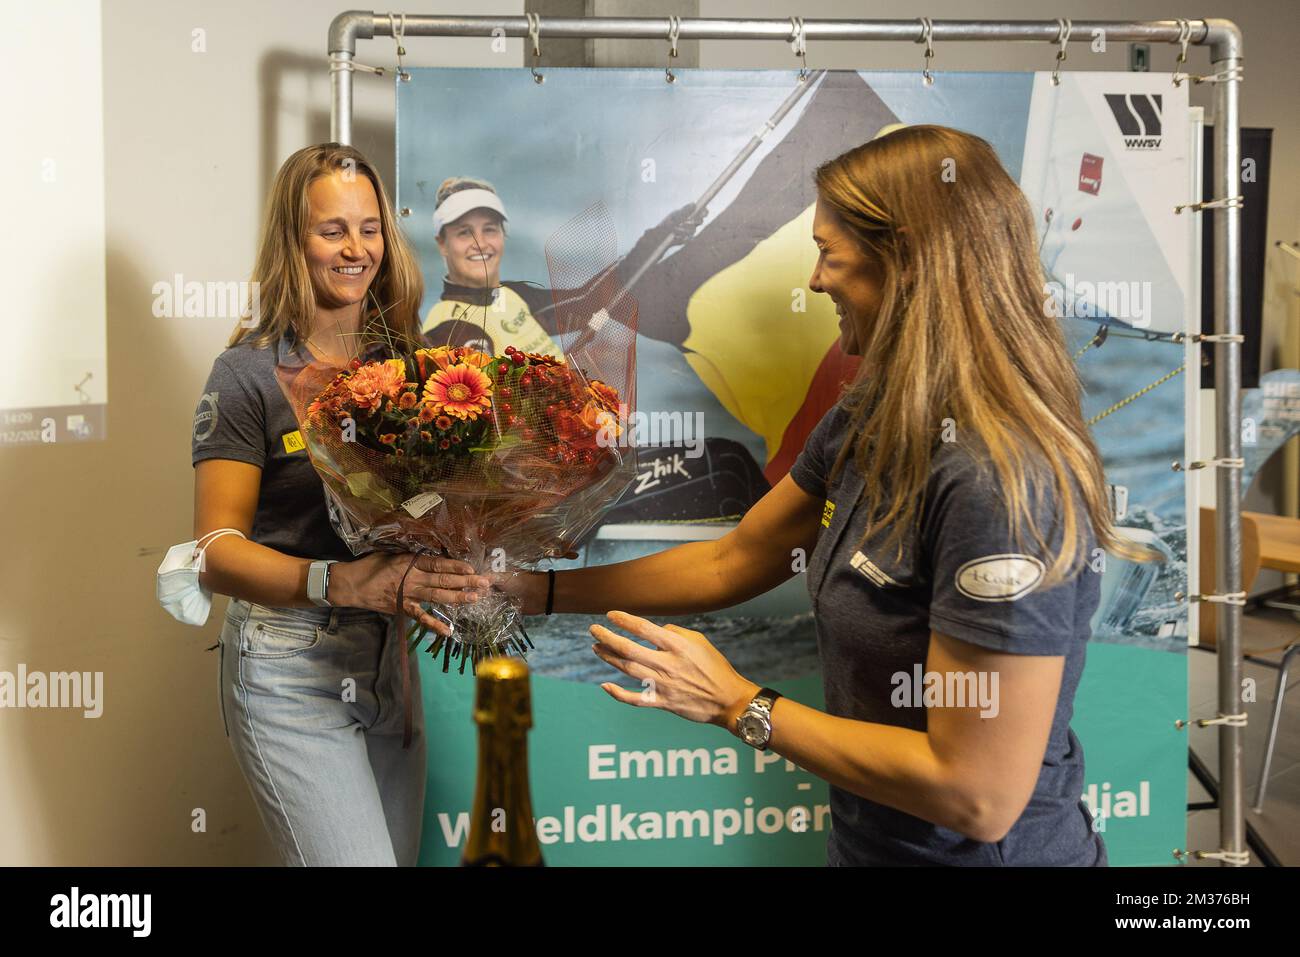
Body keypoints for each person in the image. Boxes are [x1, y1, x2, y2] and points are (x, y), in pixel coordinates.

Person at [496, 125, 1158, 866]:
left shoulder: (996, 477)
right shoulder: (874, 409)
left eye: (829, 253)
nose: (814, 280)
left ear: (904, 259)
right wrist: (527, 592)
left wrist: (738, 704)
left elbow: (978, 791)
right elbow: (737, 558)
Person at [191, 143, 492, 866]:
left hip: (389, 660)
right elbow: (212, 554)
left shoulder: (412, 362)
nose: (356, 249)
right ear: (293, 243)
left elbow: (430, 509)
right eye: (332, 230)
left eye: (369, 228)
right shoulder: (247, 375)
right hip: (290, 667)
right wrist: (339, 580)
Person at [422, 176, 703, 356]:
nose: (480, 243)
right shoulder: (447, 327)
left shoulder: (513, 296)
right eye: (463, 233)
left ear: (502, 236)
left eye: (490, 229)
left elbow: (591, 301)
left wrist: (659, 238)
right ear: (442, 244)